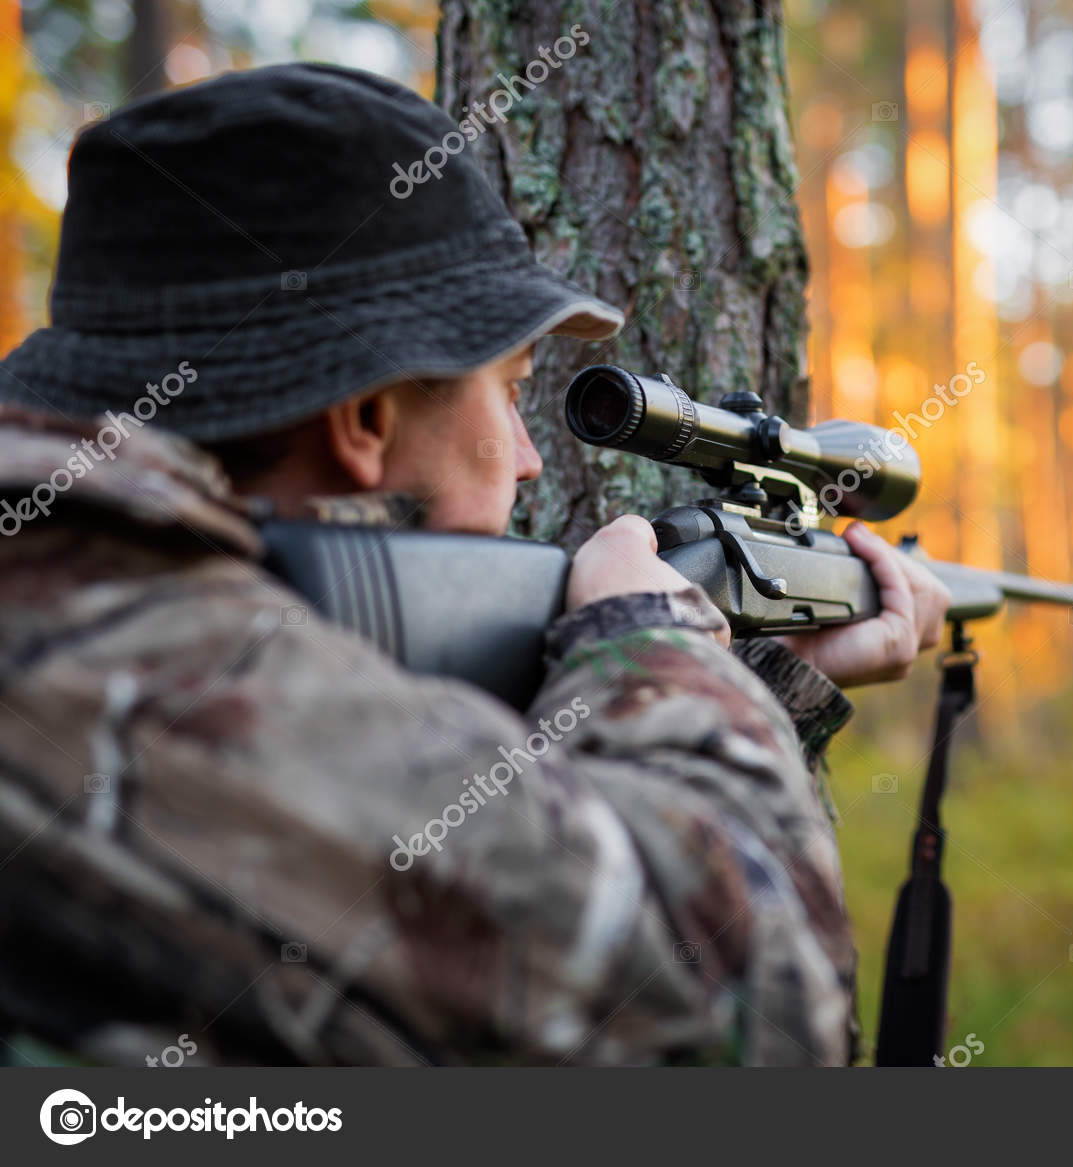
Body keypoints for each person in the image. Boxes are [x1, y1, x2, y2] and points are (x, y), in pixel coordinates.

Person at [0, 64, 948, 1067]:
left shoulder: (80, 595)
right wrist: (650, 642)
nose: (533, 457)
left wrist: (755, 679)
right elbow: (731, 1009)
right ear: (366, 421)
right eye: (509, 392)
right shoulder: (159, 673)